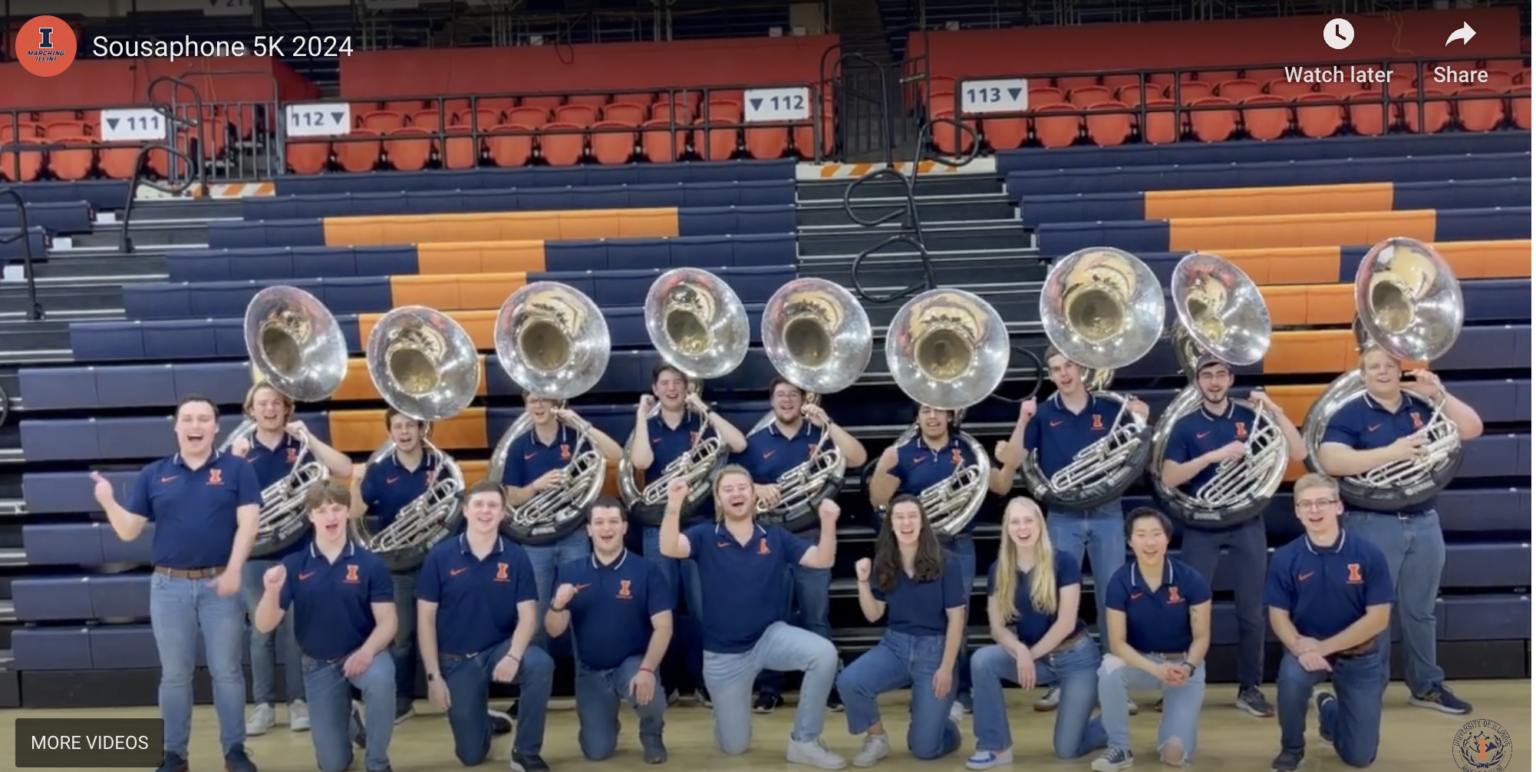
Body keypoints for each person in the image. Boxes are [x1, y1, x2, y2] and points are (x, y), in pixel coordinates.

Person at [90, 395, 263, 772]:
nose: (195, 425)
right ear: (177, 427)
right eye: (188, 419)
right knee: (174, 675)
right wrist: (107, 502)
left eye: (204, 419)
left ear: (216, 427)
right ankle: (174, 754)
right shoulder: (153, 474)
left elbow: (250, 523)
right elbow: (129, 530)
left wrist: (234, 569)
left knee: (228, 671)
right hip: (168, 588)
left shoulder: (237, 469)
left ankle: (235, 750)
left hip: (221, 584)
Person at [1315, 349, 1482, 714]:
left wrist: (1439, 394)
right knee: (1372, 611)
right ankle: (1366, 688)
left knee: (1421, 611)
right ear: (1363, 374)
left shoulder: (1422, 405)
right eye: (1374, 367)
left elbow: (1471, 428)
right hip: (1372, 522)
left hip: (1424, 520)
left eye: (1389, 366)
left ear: (1399, 370)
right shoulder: (1351, 411)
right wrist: (1392, 452)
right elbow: (1331, 460)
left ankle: (1426, 686)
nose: (1383, 372)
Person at [657, 467, 847, 769]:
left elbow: (822, 559)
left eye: (742, 487)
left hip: (769, 638)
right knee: (734, 748)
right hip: (724, 656)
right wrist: (673, 505)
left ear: (753, 493)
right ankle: (726, 710)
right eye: (728, 489)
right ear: (718, 499)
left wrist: (827, 523)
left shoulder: (775, 536)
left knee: (824, 653)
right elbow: (668, 547)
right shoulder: (705, 535)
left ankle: (804, 742)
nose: (736, 494)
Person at [997, 346, 1148, 713]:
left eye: (1068, 367)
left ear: (1080, 368)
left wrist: (1142, 417)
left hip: (1106, 511)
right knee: (1054, 598)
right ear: (1050, 375)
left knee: (1111, 598)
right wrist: (1022, 420)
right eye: (1055, 369)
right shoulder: (1044, 413)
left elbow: (1138, 453)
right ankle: (1062, 680)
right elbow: (1014, 460)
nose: (1063, 374)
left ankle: (1115, 683)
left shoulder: (1111, 407)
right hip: (1062, 514)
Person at [1159, 354, 1306, 718]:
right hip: (1201, 522)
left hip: (1246, 521)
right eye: (1206, 375)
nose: (1214, 381)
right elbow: (1169, 477)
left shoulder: (1252, 417)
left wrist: (1273, 408)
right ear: (1197, 381)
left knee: (1252, 611)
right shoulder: (1186, 425)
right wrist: (1213, 457)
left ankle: (1250, 688)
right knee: (1187, 610)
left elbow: (1300, 453)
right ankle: (1179, 682)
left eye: (1220, 374)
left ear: (1230, 377)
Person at [866, 404, 1015, 712]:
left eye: (938, 411)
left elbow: (1000, 486)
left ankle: (958, 692)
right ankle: (925, 688)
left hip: (957, 546)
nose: (931, 416)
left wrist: (1010, 463)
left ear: (951, 416)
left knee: (956, 621)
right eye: (924, 411)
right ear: (916, 417)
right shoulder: (904, 452)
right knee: (920, 621)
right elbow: (879, 500)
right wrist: (882, 467)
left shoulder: (969, 450)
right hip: (913, 550)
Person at [732, 377, 867, 714]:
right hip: (770, 542)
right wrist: (755, 487)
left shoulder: (821, 434)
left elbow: (858, 457)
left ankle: (831, 685)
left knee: (816, 617)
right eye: (780, 395)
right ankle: (769, 689)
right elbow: (731, 482)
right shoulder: (756, 440)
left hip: (810, 538)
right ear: (771, 401)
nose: (787, 401)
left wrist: (827, 423)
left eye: (793, 395)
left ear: (805, 399)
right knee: (771, 618)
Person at [232, 381, 355, 736]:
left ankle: (298, 702)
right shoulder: (240, 448)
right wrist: (234, 461)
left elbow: (344, 469)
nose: (269, 409)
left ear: (287, 408)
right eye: (262, 404)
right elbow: (217, 498)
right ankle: (264, 706)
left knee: (296, 630)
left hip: (299, 552)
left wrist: (311, 439)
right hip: (255, 554)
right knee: (260, 631)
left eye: (276, 403)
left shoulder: (300, 444)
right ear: (250, 410)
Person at [253, 481, 397, 772]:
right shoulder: (294, 564)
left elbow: (388, 622)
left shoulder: (370, 563)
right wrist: (270, 591)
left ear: (347, 513)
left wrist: (367, 652)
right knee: (333, 765)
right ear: (310, 516)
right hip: (318, 665)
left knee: (382, 680)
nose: (330, 517)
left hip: (363, 655)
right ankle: (351, 723)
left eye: (336, 509)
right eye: (321, 511)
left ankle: (378, 761)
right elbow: (264, 624)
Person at [627, 362, 747, 705]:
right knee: (660, 609)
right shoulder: (647, 425)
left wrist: (704, 408)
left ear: (688, 387)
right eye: (664, 383)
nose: (672, 388)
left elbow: (737, 444)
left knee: (702, 609)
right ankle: (662, 681)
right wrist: (640, 415)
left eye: (678, 382)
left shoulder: (703, 422)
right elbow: (640, 462)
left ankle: (706, 681)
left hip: (699, 529)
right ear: (655, 389)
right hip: (657, 529)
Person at [416, 480, 557, 771]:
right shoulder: (440, 556)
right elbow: (426, 620)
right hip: (455, 659)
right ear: (465, 510)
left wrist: (514, 655)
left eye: (493, 505)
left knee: (540, 664)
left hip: (498, 649)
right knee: (471, 756)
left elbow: (529, 615)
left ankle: (525, 751)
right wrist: (433, 677)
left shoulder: (516, 555)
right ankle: (484, 720)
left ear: (503, 513)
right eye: (478, 504)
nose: (485, 511)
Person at [966, 497, 1107, 771]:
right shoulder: (999, 569)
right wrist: (1019, 651)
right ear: (1006, 528)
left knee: (1067, 750)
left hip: (1075, 657)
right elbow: (997, 628)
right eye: (1015, 522)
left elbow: (1066, 623)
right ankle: (996, 746)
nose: (1022, 527)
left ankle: (1111, 724)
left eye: (1028, 520)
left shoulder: (1062, 562)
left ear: (1040, 525)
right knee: (982, 660)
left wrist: (1028, 655)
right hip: (1035, 656)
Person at [1264, 474, 1393, 772]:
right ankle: (1292, 748)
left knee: (1360, 758)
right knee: (1292, 680)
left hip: (1359, 656)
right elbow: (1278, 616)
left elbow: (1379, 618)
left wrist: (1323, 648)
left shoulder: (1368, 554)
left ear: (1338, 506)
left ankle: (1328, 710)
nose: (1314, 510)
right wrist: (1300, 649)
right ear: (1296, 511)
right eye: (1305, 504)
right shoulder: (1285, 558)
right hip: (1305, 650)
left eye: (1322, 502)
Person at [835, 494, 966, 766]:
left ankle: (948, 721)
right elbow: (874, 614)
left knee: (924, 749)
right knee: (849, 681)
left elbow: (956, 620)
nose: (906, 523)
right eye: (900, 517)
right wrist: (861, 582)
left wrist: (946, 667)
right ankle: (876, 738)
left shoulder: (947, 562)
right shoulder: (885, 560)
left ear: (922, 522)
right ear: (891, 524)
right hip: (894, 646)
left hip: (935, 650)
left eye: (912, 517)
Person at [546, 495, 673, 763]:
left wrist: (648, 669)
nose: (607, 529)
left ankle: (652, 734)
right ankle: (604, 721)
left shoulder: (646, 570)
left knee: (649, 696)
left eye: (614, 521)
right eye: (599, 522)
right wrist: (557, 606)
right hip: (591, 670)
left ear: (625, 528)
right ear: (589, 529)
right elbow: (554, 630)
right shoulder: (570, 571)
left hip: (633, 664)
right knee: (597, 752)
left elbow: (664, 627)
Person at [500, 393, 624, 655]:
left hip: (574, 536)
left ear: (555, 403)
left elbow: (617, 454)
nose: (538, 406)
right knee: (534, 617)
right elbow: (510, 496)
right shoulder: (520, 445)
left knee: (581, 611)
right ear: (525, 405)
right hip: (535, 540)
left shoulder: (576, 437)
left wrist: (581, 423)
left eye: (544, 400)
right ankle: (537, 688)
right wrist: (536, 486)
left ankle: (587, 687)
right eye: (532, 400)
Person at [1091, 508, 1211, 772]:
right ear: (1130, 541)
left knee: (1173, 756)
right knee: (1109, 667)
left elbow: (1202, 637)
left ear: (1167, 538)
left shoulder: (1191, 579)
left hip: (1183, 665)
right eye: (1141, 535)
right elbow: (1117, 643)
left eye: (1156, 534)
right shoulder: (1120, 581)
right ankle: (1119, 747)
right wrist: (1156, 669)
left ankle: (1175, 733)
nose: (1149, 542)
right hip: (1143, 663)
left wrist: (1188, 667)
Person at [350, 408, 445, 723]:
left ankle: (451, 691)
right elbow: (354, 512)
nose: (404, 432)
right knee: (401, 637)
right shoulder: (378, 470)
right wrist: (355, 482)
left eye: (410, 426)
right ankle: (403, 699)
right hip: (399, 563)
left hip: (436, 562)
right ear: (390, 432)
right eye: (398, 427)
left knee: (446, 631)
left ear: (422, 428)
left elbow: (456, 508)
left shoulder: (441, 465)